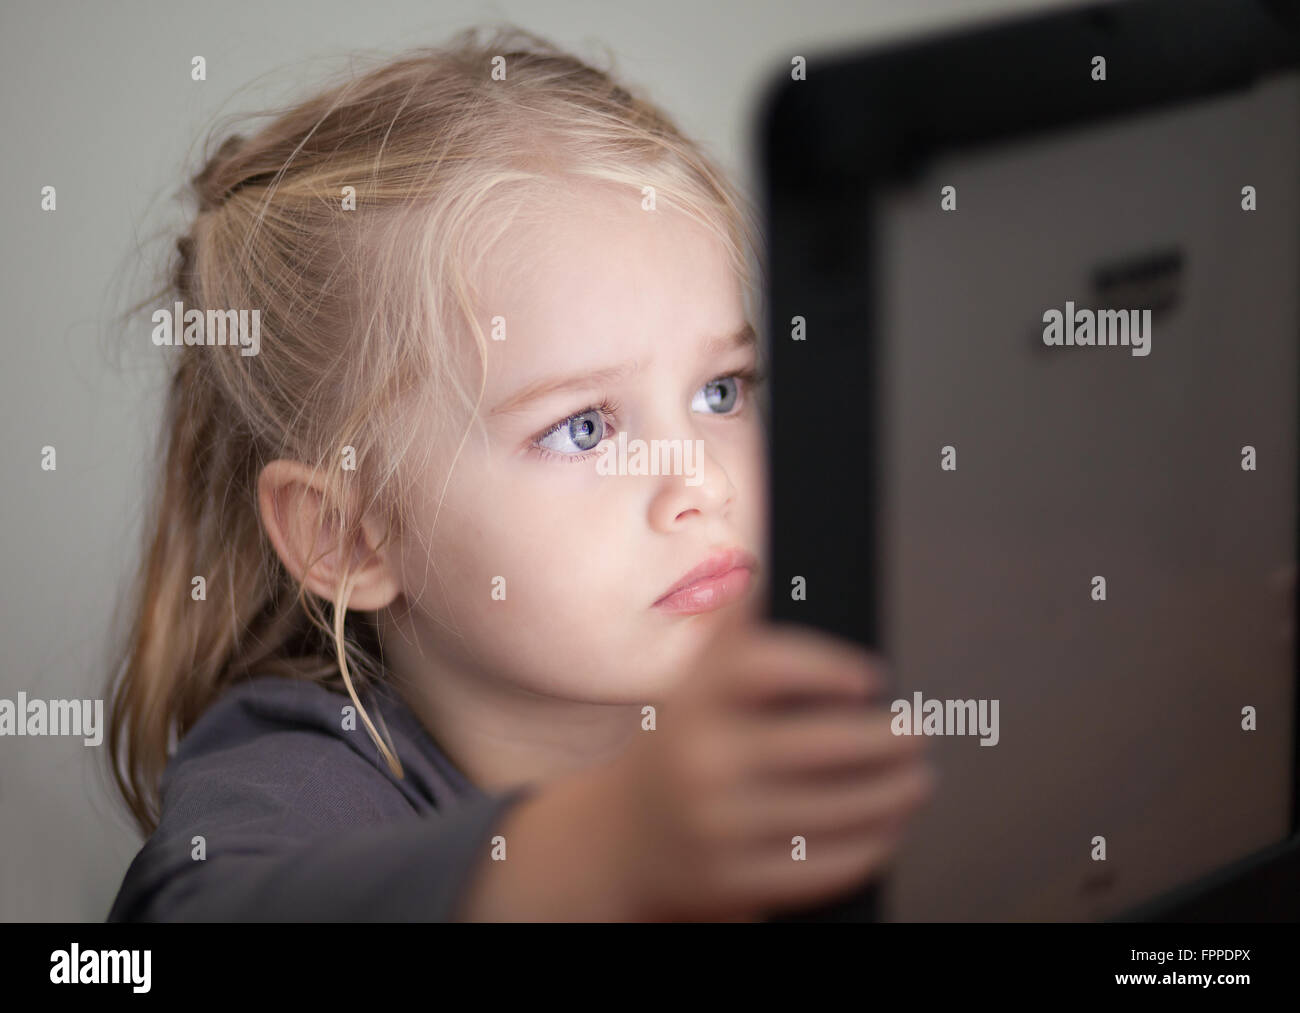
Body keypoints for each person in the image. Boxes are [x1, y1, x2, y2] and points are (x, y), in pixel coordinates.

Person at [104, 24, 934, 922]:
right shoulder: (305, 773)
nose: (702, 482)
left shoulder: (818, 681)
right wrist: (613, 844)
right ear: (345, 533)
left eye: (721, 391)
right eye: (582, 428)